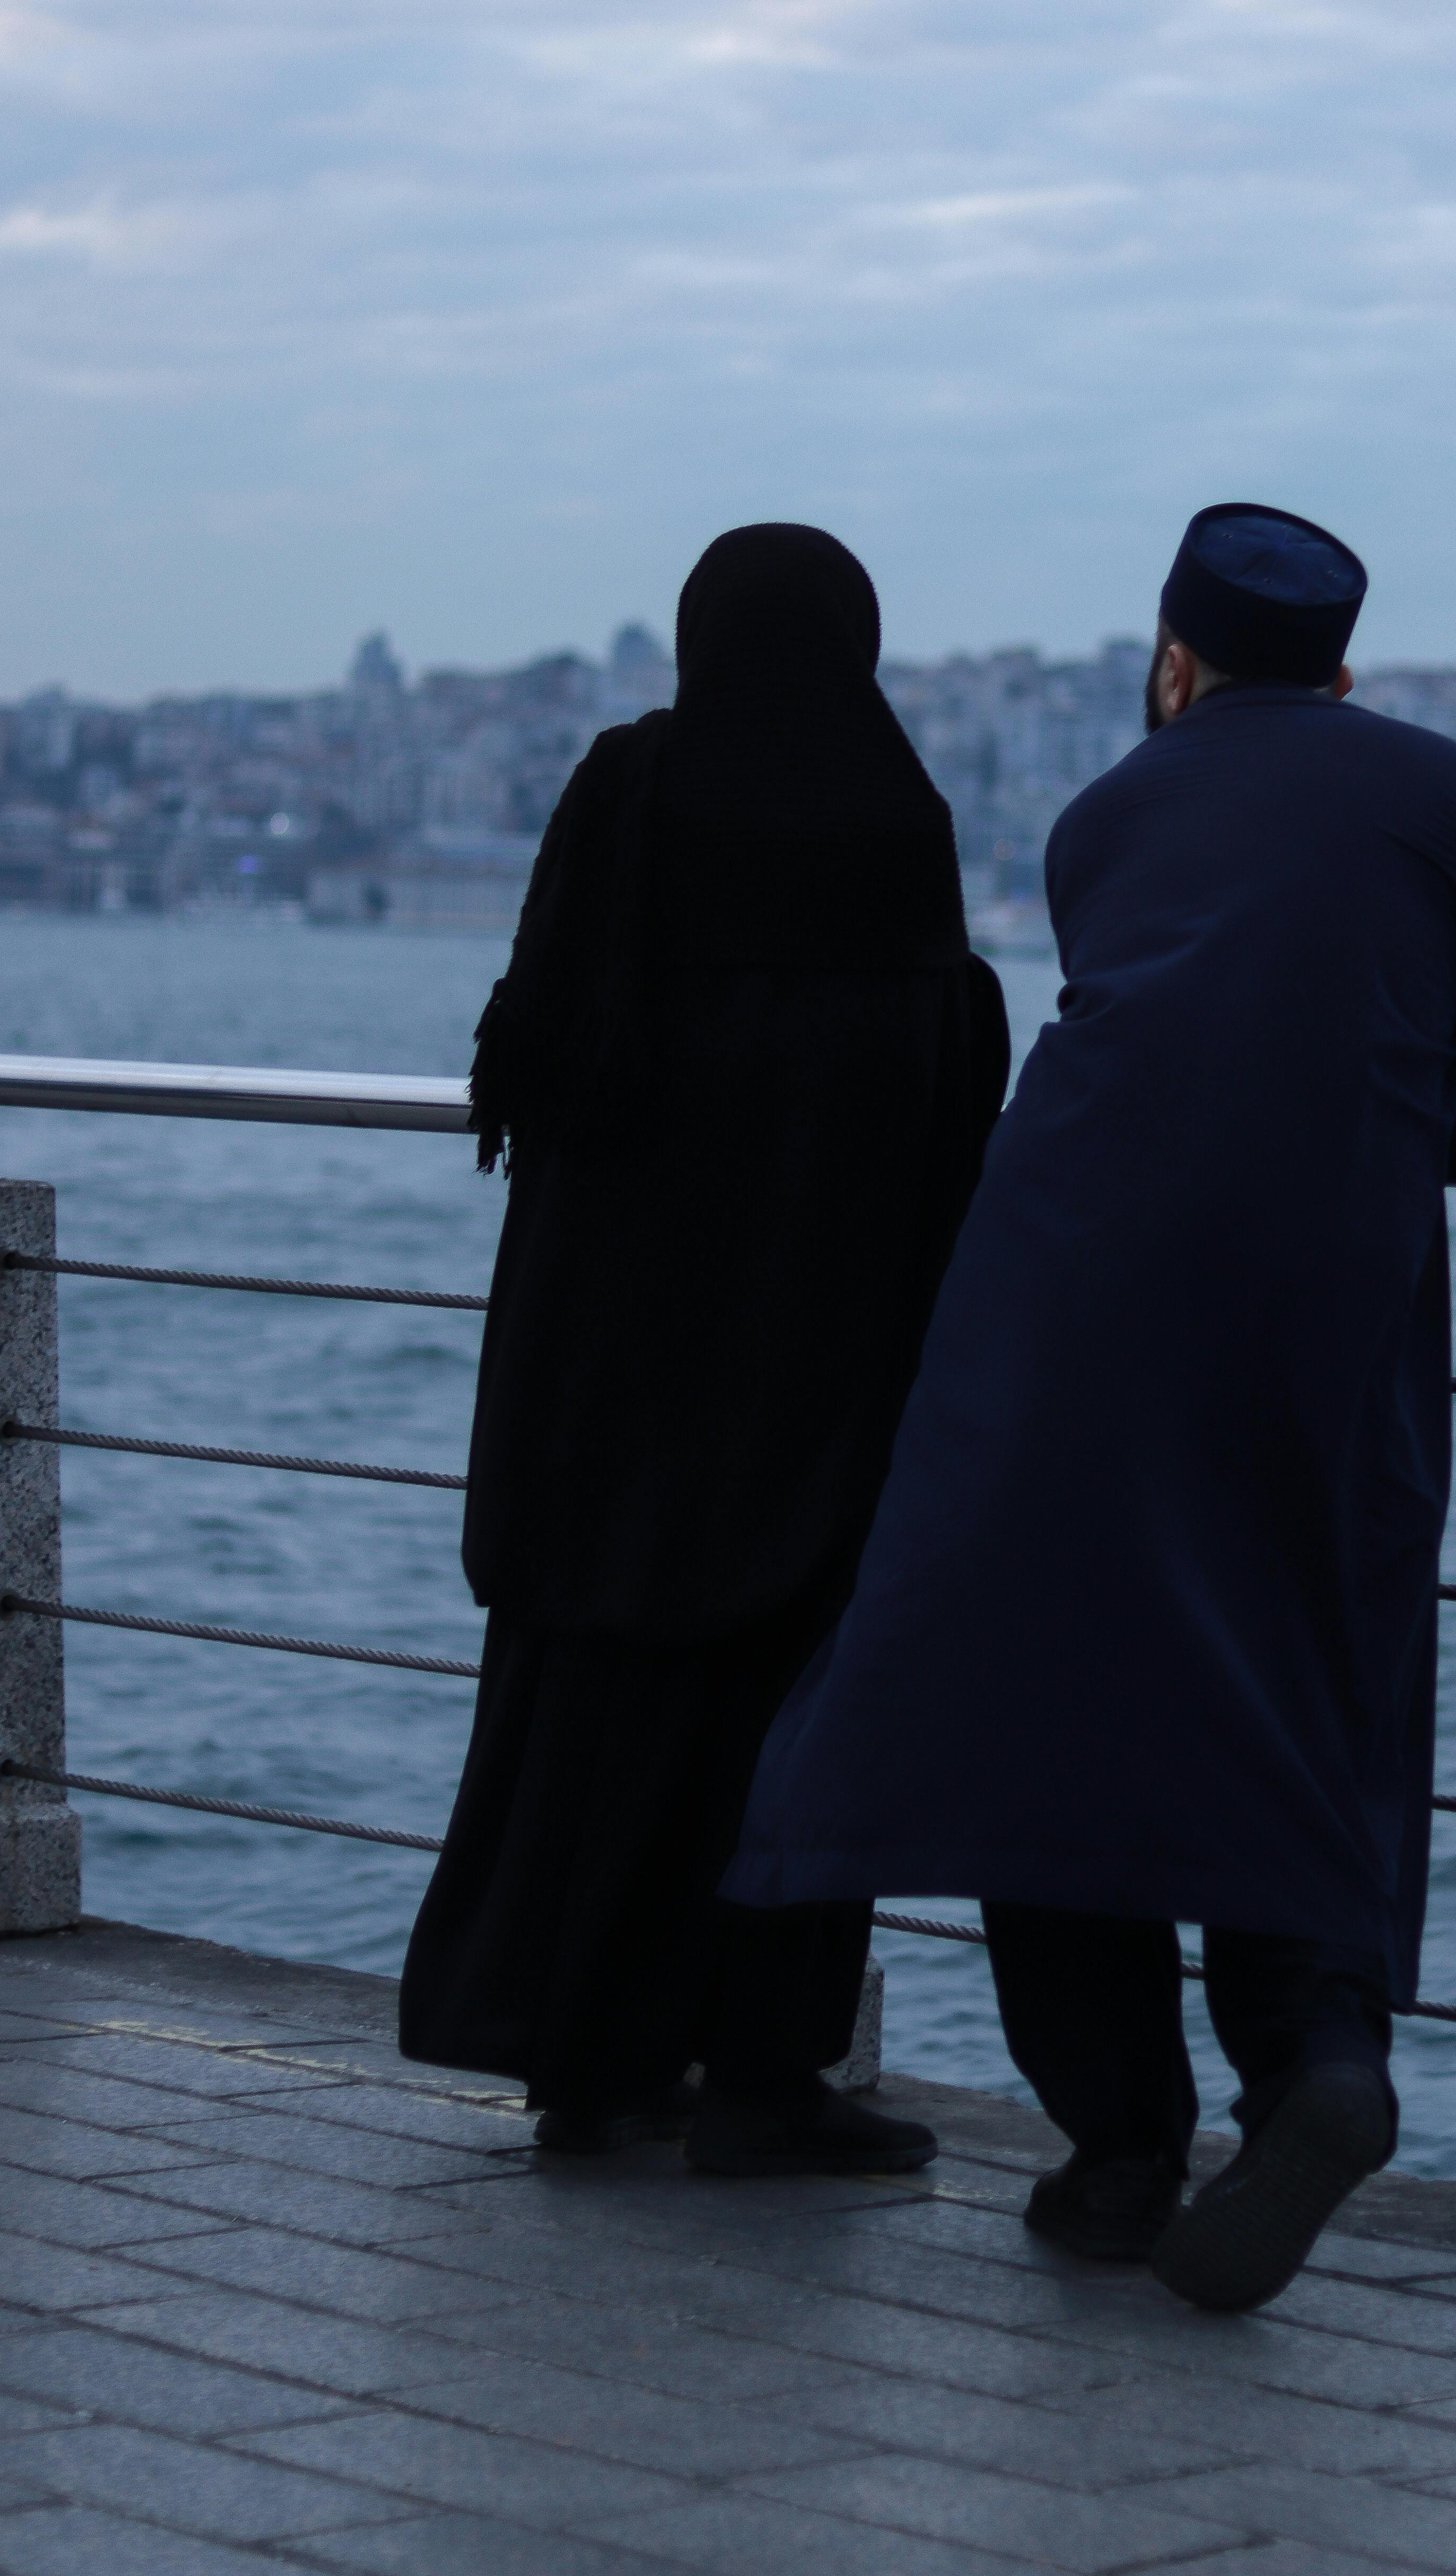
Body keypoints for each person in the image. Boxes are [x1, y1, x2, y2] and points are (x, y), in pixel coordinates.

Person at [724, 501, 1456, 2303]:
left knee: (1049, 1699)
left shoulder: (1105, 813)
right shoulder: (1448, 795)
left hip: (1058, 1306)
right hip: (1317, 1324)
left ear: (1174, 662)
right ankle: (1319, 2068)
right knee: (1301, 1684)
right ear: (1344, 674)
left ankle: (1117, 2156)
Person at [400, 524, 1010, 2179]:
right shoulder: (894, 823)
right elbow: (940, 1094)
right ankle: (760, 2077)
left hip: (603, 1359)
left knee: (592, 1702)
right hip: (808, 1379)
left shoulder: (632, 787)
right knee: (781, 1711)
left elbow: (537, 1035)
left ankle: (582, 2065)